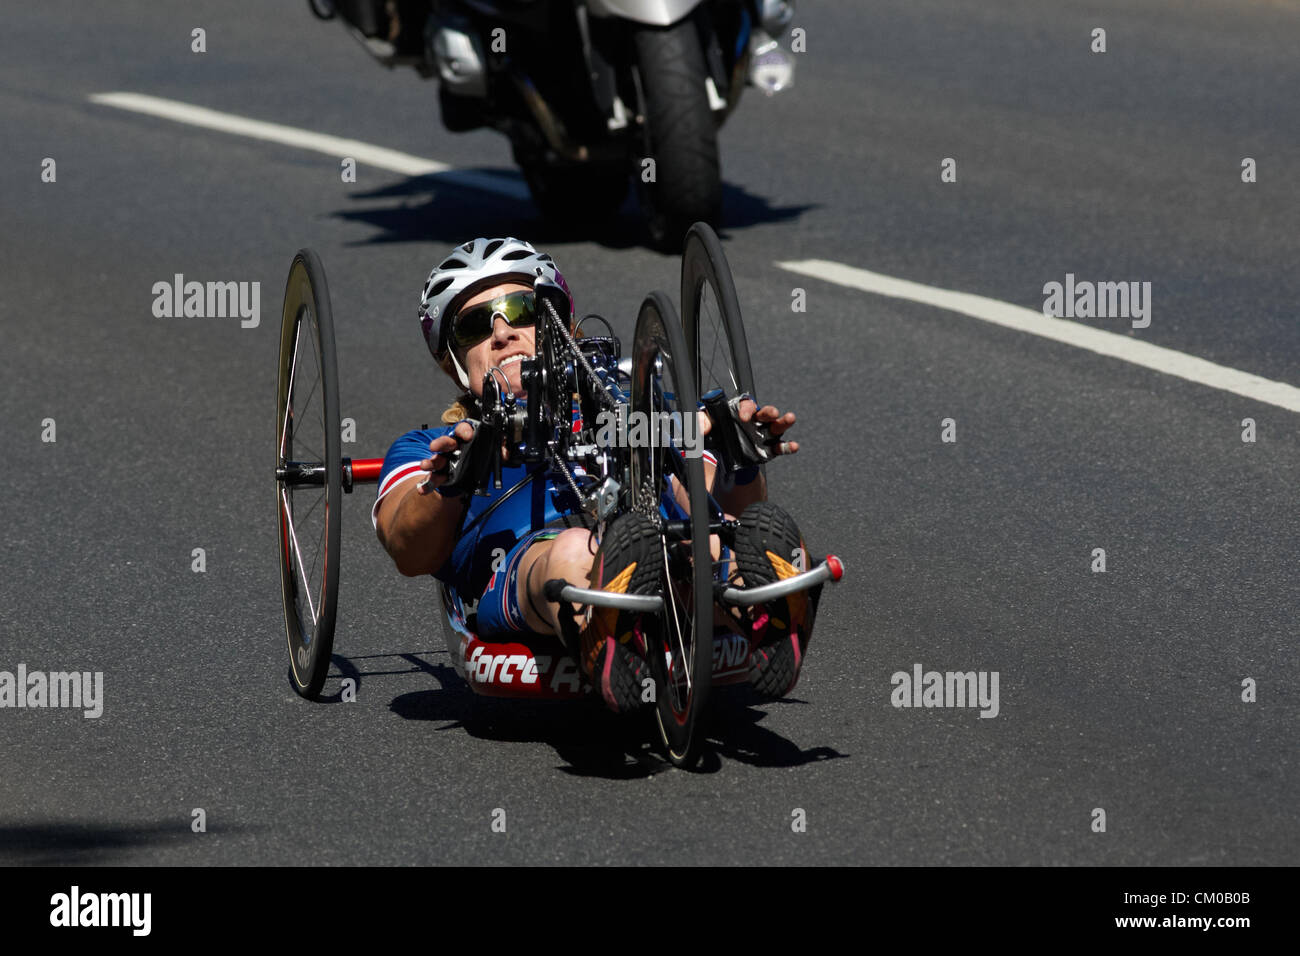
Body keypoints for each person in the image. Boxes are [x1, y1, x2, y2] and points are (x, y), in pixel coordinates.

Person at [373, 237, 818, 712]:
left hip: (664, 544)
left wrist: (741, 458)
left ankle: (764, 610)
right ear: (455, 360)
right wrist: (449, 482)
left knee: (707, 539)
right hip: (529, 566)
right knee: (569, 551)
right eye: (476, 325)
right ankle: (609, 632)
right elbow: (407, 548)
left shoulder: (632, 407)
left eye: (522, 309)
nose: (502, 332)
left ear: (560, 326)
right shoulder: (427, 448)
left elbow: (723, 507)